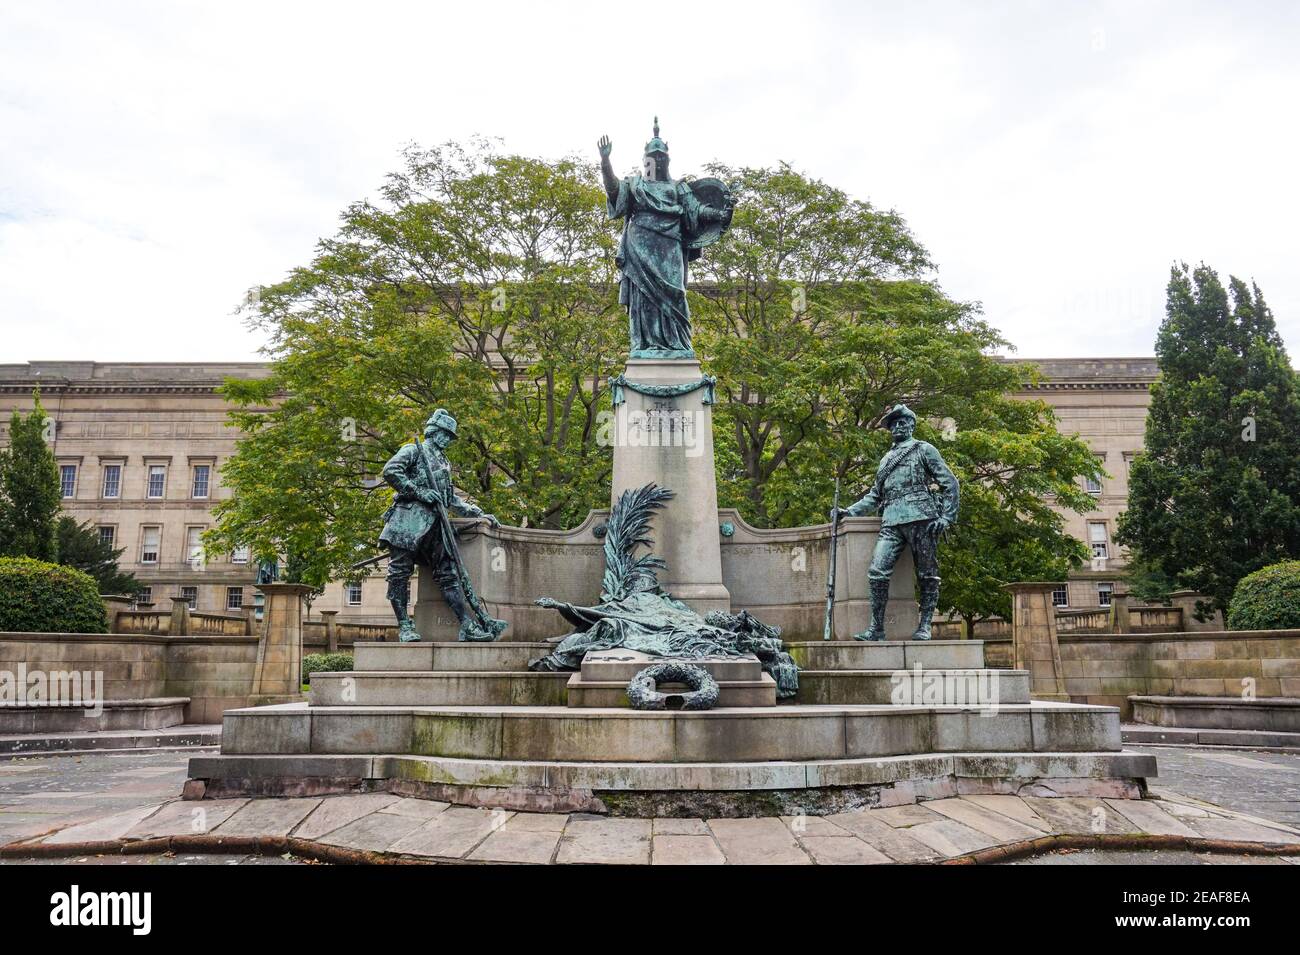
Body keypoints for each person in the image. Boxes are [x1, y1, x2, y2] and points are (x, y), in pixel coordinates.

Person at [832, 404, 960, 641]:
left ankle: (924, 625)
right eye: (894, 424)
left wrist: (946, 517)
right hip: (891, 520)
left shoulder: (924, 449)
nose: (898, 426)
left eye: (903, 422)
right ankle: (877, 628)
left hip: (923, 517)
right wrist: (849, 511)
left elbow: (950, 483)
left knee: (927, 574)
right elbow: (874, 495)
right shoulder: (886, 460)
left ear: (912, 425)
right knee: (877, 572)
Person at [378, 408, 504, 642]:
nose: (447, 439)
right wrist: (419, 492)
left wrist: (479, 513)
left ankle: (467, 625)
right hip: (407, 522)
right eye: (444, 434)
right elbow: (390, 471)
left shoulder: (444, 462)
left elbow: (451, 499)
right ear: (433, 431)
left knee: (448, 575)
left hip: (436, 526)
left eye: (450, 436)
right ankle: (405, 626)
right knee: (399, 574)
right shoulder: (414, 450)